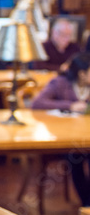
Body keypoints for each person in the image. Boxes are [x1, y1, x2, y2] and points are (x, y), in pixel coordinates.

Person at [31, 52, 90, 206]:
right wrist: (69, 105)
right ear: (82, 74)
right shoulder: (60, 83)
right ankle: (86, 203)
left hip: (86, 138)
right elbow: (37, 103)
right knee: (75, 158)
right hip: (63, 140)